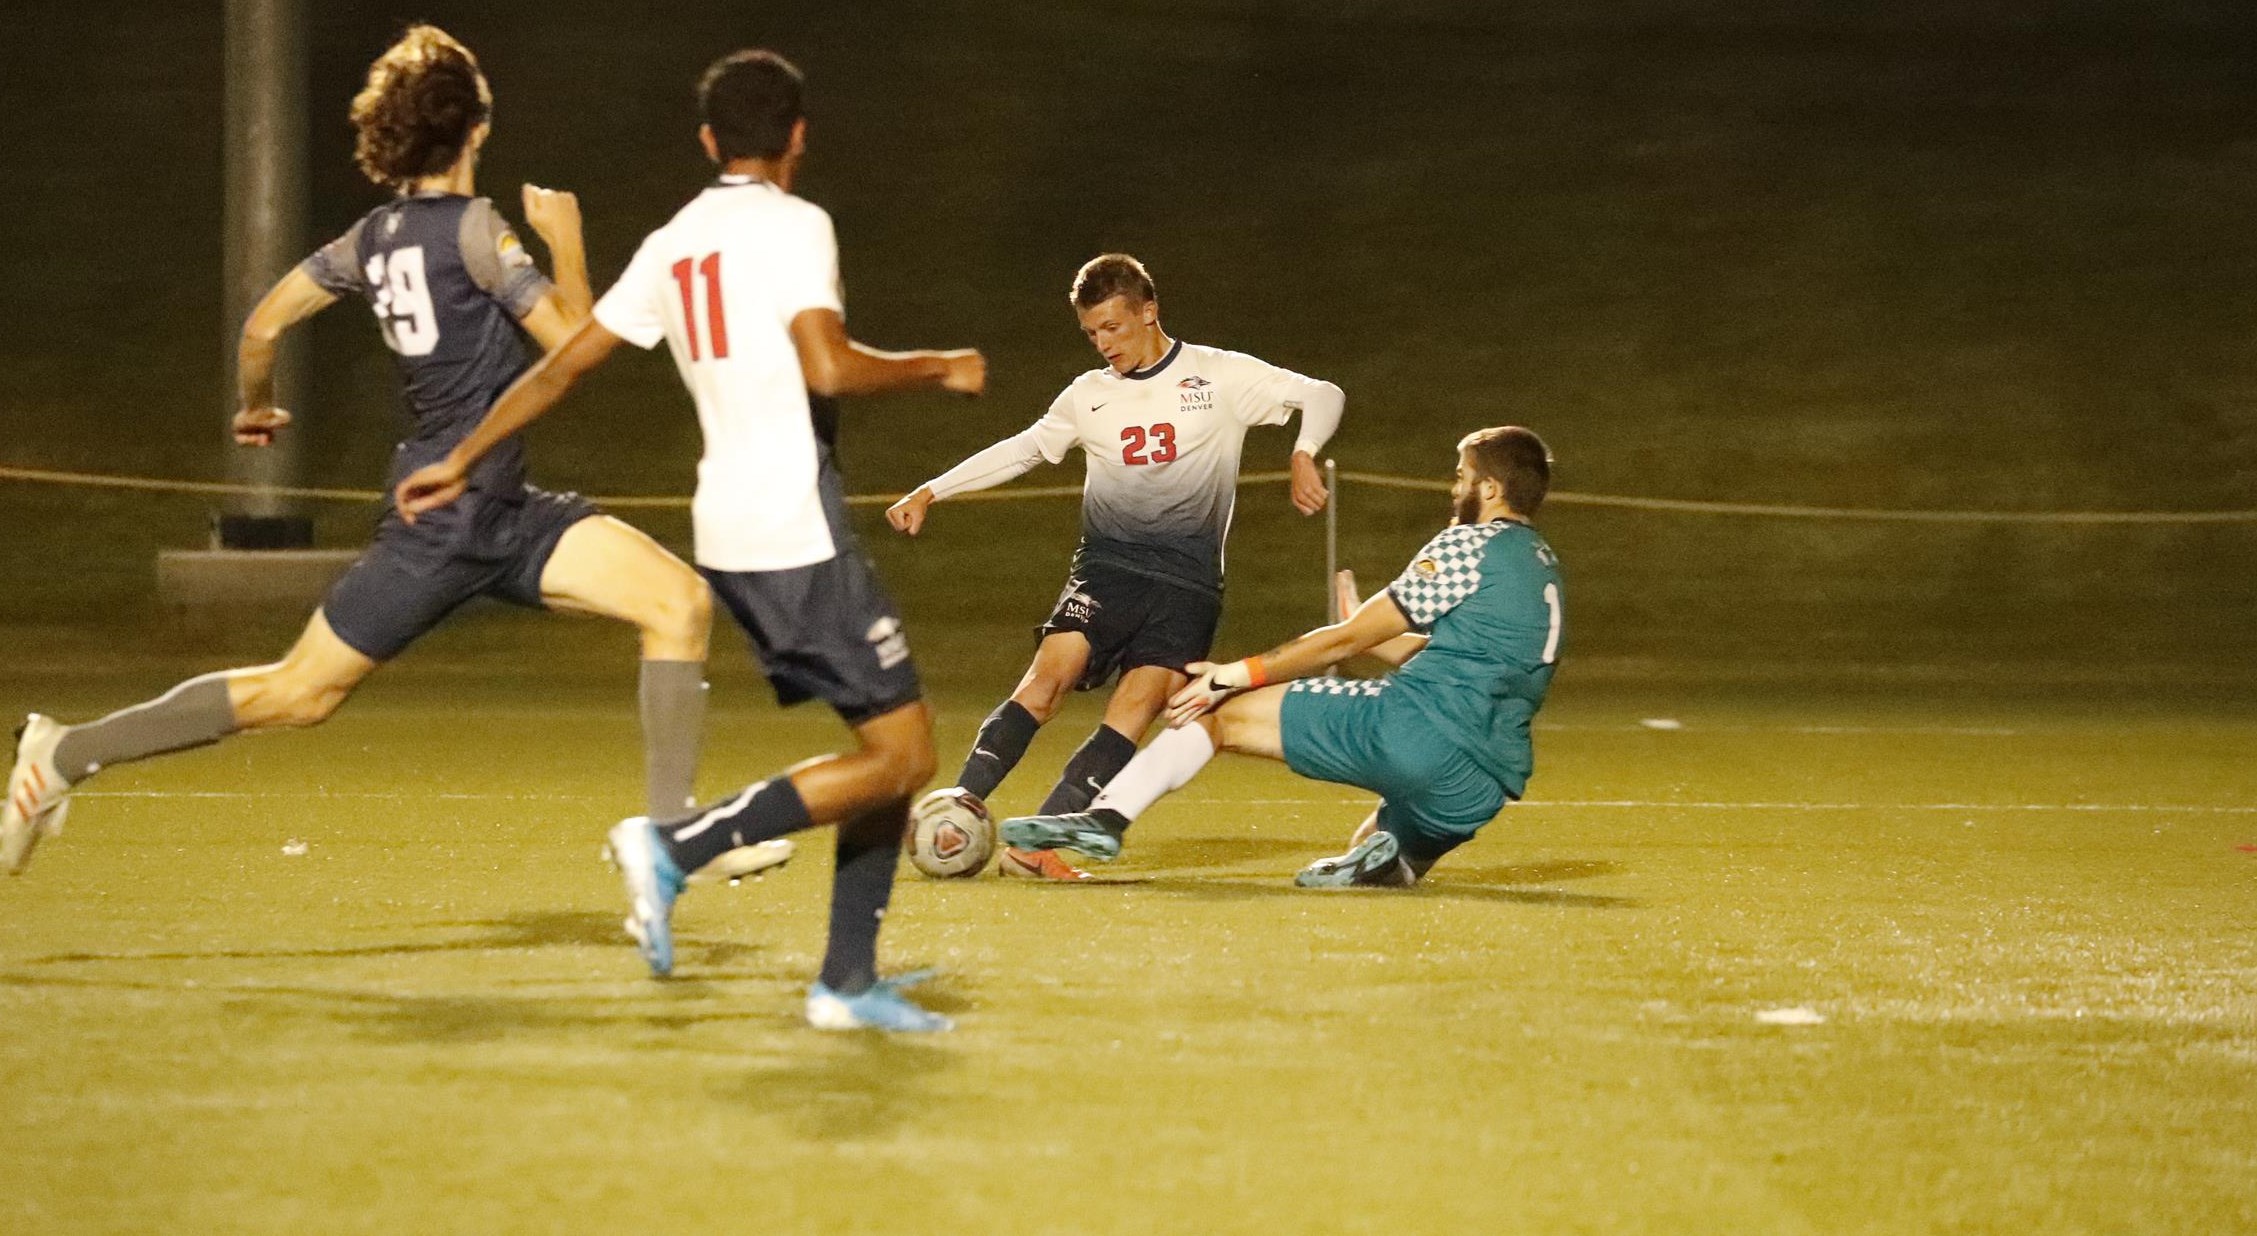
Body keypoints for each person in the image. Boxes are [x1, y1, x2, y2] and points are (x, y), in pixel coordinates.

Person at [1, 25, 739, 877]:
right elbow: (572, 349)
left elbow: (265, 324)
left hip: (502, 512)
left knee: (677, 604)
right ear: (477, 128)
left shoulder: (372, 238)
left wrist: (256, 407)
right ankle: (60, 755)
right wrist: (566, 240)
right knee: (297, 692)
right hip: (442, 520)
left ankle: (673, 835)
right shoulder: (475, 230)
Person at [396, 49, 985, 1032]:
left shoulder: (679, 238)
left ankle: (846, 979)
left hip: (732, 526)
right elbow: (827, 367)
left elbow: (561, 370)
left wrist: (462, 455)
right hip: (789, 527)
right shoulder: (798, 226)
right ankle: (680, 847)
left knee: (888, 746)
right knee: (905, 755)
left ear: (710, 141)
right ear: (798, 136)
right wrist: (940, 366)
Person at [885, 254, 1343, 880]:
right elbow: (1023, 449)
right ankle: (958, 807)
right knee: (1046, 682)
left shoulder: (1219, 375)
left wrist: (1304, 452)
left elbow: (1323, 394)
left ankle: (1033, 849)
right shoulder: (1088, 395)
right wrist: (931, 490)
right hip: (1106, 569)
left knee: (1132, 711)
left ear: (1148, 312)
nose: (1103, 345)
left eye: (1113, 328)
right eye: (1091, 333)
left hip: (1186, 586)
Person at [1000, 427, 1562, 888]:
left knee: (1217, 715)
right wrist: (1366, 629)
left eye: (1462, 477)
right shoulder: (1541, 566)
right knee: (1373, 851)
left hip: (1417, 732)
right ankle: (1391, 864)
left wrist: (1235, 674)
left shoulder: (1469, 545)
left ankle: (1106, 818)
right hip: (1480, 785)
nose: (1455, 489)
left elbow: (1342, 643)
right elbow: (1439, 650)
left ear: (1490, 489)